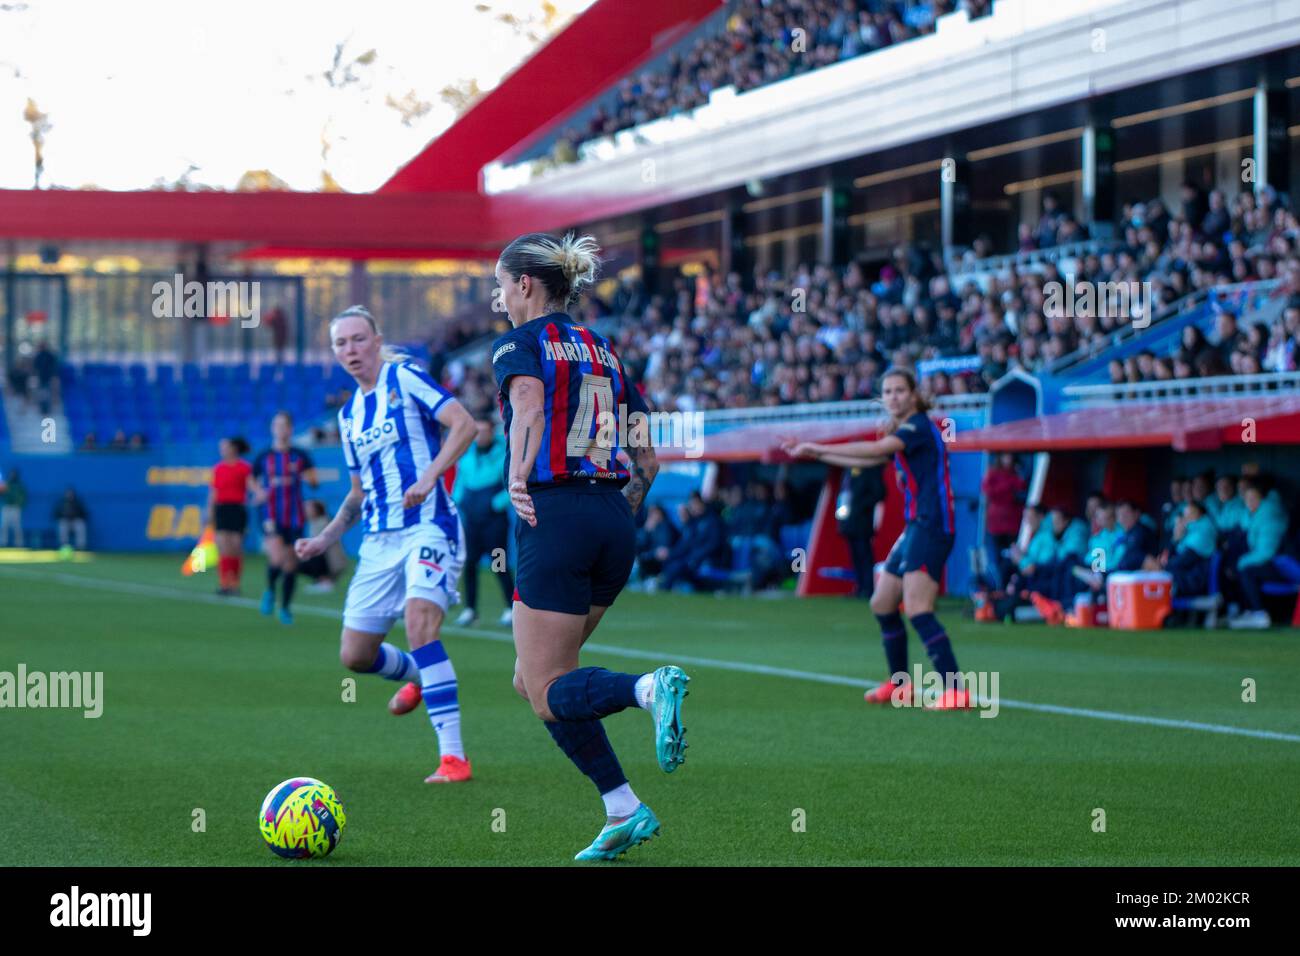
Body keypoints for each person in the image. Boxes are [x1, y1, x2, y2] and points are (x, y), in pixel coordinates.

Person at [490, 231, 691, 861]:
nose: (500, 296)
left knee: (546, 687)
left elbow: (528, 408)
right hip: (611, 518)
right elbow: (647, 456)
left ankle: (647, 689)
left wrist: (517, 478)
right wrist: (617, 513)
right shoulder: (602, 347)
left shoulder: (518, 344)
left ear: (525, 284)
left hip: (555, 516)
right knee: (536, 679)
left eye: (501, 284)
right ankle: (622, 807)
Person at [295, 305, 478, 784]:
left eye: (359, 339)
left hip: (428, 525)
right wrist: (325, 538)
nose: (351, 350)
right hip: (379, 540)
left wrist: (430, 476)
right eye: (341, 343)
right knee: (355, 655)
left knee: (420, 625)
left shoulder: (405, 378)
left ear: (376, 341)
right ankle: (420, 675)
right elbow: (357, 493)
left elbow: (464, 425)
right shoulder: (348, 416)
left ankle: (453, 758)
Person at [787, 367, 969, 709]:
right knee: (882, 603)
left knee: (918, 609)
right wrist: (818, 454)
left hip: (932, 526)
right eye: (888, 392)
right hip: (916, 526)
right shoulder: (903, 430)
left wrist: (819, 447)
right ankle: (901, 685)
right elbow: (872, 456)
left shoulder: (917, 426)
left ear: (914, 395)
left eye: (900, 390)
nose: (893, 397)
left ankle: (956, 689)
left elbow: (874, 451)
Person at [252, 411, 318, 625]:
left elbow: (313, 480)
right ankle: (271, 589)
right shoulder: (264, 456)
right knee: (277, 557)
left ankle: (286, 607)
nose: (280, 429)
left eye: (284, 425)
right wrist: (258, 492)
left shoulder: (300, 455)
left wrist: (310, 478)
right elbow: (251, 478)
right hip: (270, 514)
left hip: (295, 515)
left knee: (291, 564)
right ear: (273, 429)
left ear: (290, 429)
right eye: (277, 425)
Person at [450, 419, 515, 627]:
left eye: (484, 431)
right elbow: (460, 482)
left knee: (499, 564)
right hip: (472, 522)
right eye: (476, 432)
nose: (480, 436)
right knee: (469, 564)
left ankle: (511, 608)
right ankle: (470, 609)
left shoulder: (504, 455)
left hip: (495, 523)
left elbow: (512, 484)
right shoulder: (467, 455)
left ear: (492, 432)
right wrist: (456, 501)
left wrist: (496, 503)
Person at [1227, 479, 1289, 629]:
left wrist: (1241, 562)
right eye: (1247, 498)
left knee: (1246, 571)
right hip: (1271, 564)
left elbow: (1266, 553)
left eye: (1254, 498)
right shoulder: (1252, 516)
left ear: (1262, 499)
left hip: (1284, 568)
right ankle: (1248, 610)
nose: (1249, 502)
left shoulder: (1269, 516)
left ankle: (1259, 614)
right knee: (1237, 566)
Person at [207, 437, 255, 595]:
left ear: (234, 448)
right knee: (222, 546)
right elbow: (213, 493)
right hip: (222, 509)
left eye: (225, 447)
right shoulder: (218, 468)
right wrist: (210, 513)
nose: (222, 450)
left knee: (235, 546)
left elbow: (252, 485)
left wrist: (258, 494)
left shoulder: (244, 467)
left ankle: (234, 582)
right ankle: (224, 583)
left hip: (237, 509)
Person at [837, 463, 886, 599]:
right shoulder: (849, 470)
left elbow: (880, 492)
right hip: (848, 520)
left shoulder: (871, 468)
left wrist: (860, 507)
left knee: (864, 554)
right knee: (855, 555)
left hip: (862, 521)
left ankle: (869, 588)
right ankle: (860, 587)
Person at [981, 452, 1025, 589]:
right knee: (996, 559)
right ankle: (998, 587)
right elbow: (988, 491)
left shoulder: (1017, 472)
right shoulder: (993, 473)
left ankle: (1011, 587)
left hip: (1013, 524)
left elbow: (1022, 489)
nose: (1008, 459)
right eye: (1005, 456)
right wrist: (1008, 487)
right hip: (996, 525)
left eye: (1010, 456)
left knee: (1013, 558)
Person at [297, 499, 346, 592]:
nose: (305, 511)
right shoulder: (315, 522)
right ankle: (321, 580)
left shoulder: (323, 522)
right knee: (302, 558)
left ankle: (325, 581)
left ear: (316, 510)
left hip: (332, 561)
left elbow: (317, 546)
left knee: (309, 555)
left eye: (308, 508)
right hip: (329, 559)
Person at [53, 486, 89, 550]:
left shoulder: (78, 502)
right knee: (62, 524)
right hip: (65, 522)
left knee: (80, 525)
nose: (69, 495)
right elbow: (55, 514)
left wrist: (77, 517)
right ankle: (64, 546)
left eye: (71, 493)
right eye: (68, 493)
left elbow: (84, 514)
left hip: (75, 522)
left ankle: (80, 547)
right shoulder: (61, 503)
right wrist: (63, 516)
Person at [0, 466, 26, 548]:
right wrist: (2, 489)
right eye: (11, 474)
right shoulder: (6, 484)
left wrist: (19, 504)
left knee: (17, 527)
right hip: (6, 507)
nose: (12, 475)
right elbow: (2, 494)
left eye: (14, 474)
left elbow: (23, 497)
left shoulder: (20, 485)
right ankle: (3, 543)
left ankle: (19, 544)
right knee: (4, 526)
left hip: (15, 508)